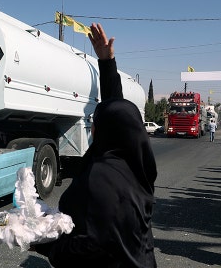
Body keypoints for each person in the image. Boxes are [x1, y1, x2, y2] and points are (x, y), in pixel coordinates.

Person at [32, 23, 157, 267]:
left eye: (95, 121)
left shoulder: (100, 177)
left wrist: (43, 243)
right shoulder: (139, 167)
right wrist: (107, 63)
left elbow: (92, 245)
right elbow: (116, 108)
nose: (92, 126)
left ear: (107, 130)